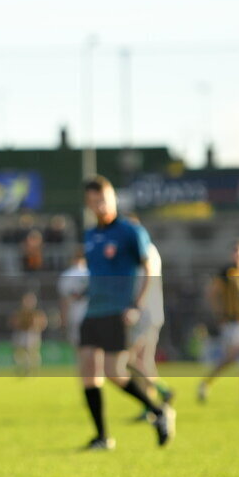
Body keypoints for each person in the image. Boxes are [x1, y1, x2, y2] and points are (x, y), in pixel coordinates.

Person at [78, 176, 174, 451]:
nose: (98, 206)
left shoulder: (130, 231)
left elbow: (149, 267)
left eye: (103, 200)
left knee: (114, 371)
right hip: (93, 310)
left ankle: (157, 410)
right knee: (87, 370)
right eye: (93, 202)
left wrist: (136, 304)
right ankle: (101, 437)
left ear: (112, 199)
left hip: (117, 311)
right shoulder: (89, 235)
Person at [198, 238, 239, 405]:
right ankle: (206, 383)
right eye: (236, 251)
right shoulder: (226, 273)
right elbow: (212, 294)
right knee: (230, 358)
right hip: (232, 322)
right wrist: (219, 315)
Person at [125, 218, 172, 419]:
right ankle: (149, 406)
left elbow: (147, 278)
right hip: (152, 311)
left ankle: (162, 390)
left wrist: (135, 305)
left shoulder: (144, 250)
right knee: (144, 360)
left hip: (143, 313)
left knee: (123, 358)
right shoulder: (150, 249)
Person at [57, 247, 89, 350]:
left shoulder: (66, 275)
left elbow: (64, 301)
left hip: (74, 315)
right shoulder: (91, 273)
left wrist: (63, 320)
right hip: (93, 315)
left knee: (79, 349)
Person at [10, 292, 47, 376]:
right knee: (20, 353)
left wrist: (36, 327)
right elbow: (14, 323)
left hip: (32, 334)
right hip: (21, 333)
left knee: (32, 353)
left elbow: (43, 323)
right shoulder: (20, 313)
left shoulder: (37, 313)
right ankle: (22, 369)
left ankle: (32, 370)